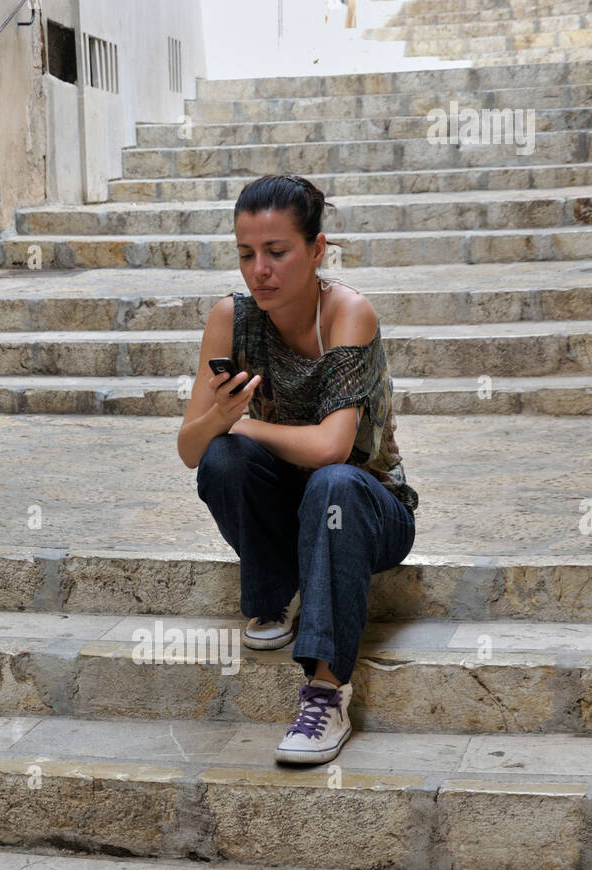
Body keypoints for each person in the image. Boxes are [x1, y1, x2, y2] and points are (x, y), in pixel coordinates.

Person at [177, 173, 418, 765]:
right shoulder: (229, 320)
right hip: (293, 509)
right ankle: (274, 591)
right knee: (223, 459)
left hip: (369, 509)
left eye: (278, 252)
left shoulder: (347, 313)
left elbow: (334, 448)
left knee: (331, 483)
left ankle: (326, 692)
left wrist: (241, 421)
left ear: (316, 250)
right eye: (246, 254)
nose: (260, 269)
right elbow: (190, 449)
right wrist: (219, 423)